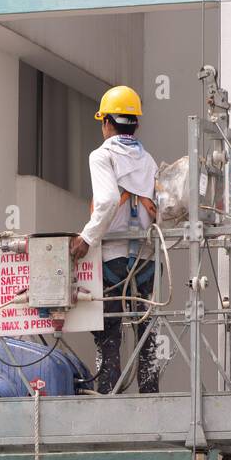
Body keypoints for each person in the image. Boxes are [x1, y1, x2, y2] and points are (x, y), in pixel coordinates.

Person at [71, 85, 161, 395]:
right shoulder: (148, 161)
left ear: (106, 122)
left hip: (112, 259)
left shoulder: (102, 155)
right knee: (147, 331)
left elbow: (108, 201)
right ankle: (150, 395)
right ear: (135, 122)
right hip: (147, 260)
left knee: (108, 334)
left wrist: (86, 237)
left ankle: (109, 396)